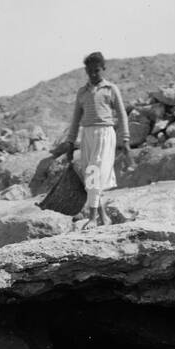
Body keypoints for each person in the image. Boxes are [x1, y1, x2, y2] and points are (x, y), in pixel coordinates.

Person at [50, 52, 133, 228]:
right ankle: (104, 218)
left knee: (95, 171)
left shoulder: (111, 89)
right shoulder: (82, 92)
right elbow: (75, 120)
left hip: (105, 134)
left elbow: (122, 115)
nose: (93, 74)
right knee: (91, 177)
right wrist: (71, 143)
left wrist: (125, 139)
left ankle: (93, 218)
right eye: (89, 72)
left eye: (96, 71)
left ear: (103, 69)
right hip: (87, 135)